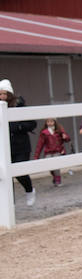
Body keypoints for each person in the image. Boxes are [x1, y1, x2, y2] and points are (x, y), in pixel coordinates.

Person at [2, 78, 38, 206]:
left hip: (21, 146)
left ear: (10, 94)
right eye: (0, 94)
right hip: (4, 147)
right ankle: (9, 203)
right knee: (5, 176)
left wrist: (18, 127)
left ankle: (29, 190)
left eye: (4, 94)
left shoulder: (19, 105)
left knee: (19, 172)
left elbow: (33, 123)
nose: (2, 97)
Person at [33, 117, 71, 185]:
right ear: (46, 123)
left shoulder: (59, 130)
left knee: (56, 166)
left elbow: (67, 139)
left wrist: (65, 136)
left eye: (51, 121)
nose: (50, 123)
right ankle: (55, 176)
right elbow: (40, 144)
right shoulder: (44, 132)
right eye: (48, 121)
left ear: (54, 122)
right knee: (49, 165)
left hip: (58, 151)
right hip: (48, 152)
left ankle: (58, 181)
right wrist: (36, 156)